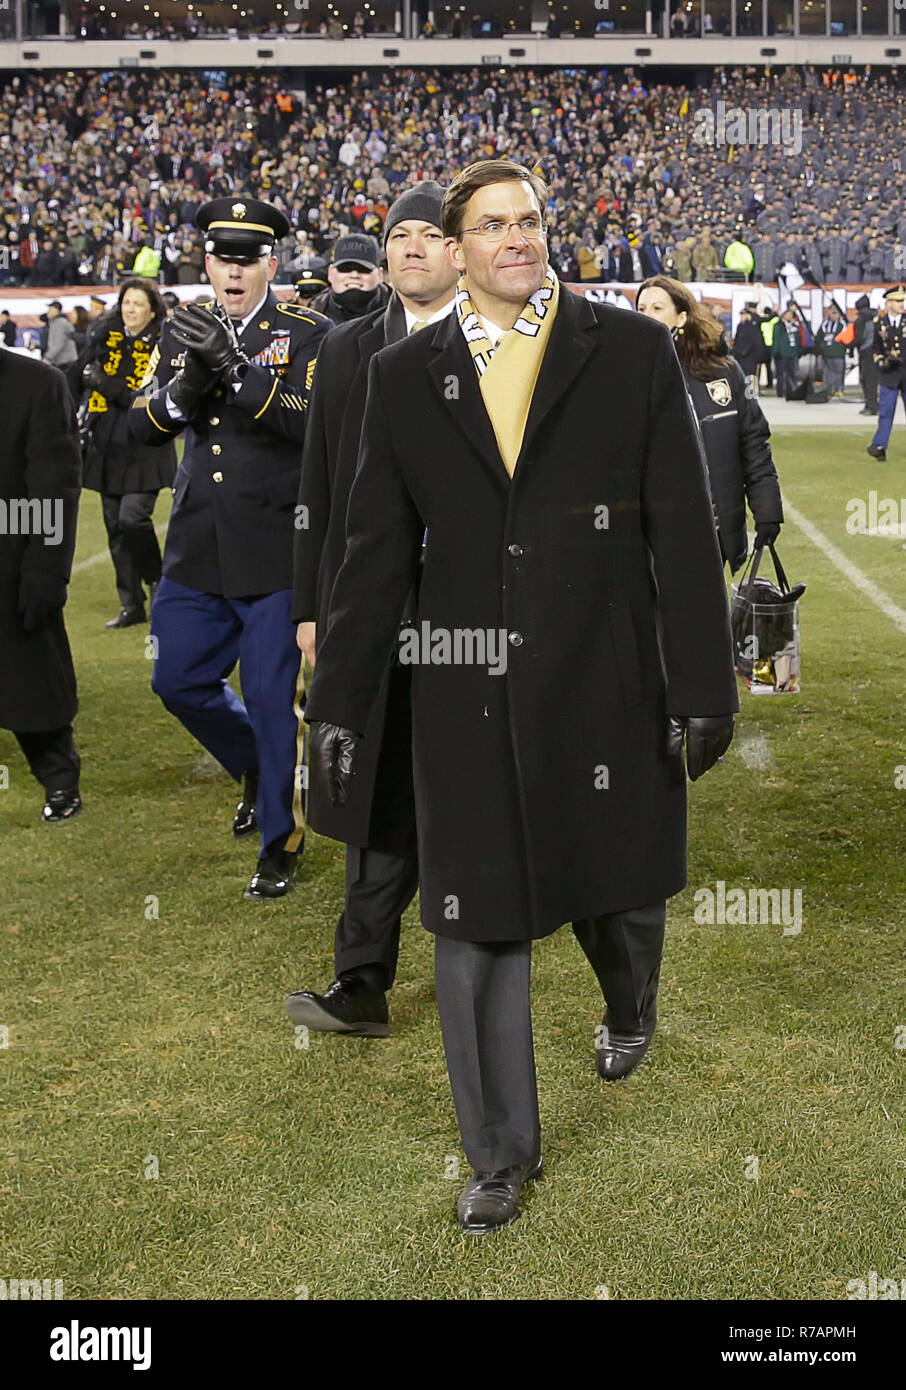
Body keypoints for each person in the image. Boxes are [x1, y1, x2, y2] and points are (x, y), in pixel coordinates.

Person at [304, 160, 738, 1233]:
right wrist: (340, 713)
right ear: (453, 249)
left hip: (606, 681)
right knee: (475, 921)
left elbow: (680, 532)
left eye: (531, 219)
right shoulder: (403, 382)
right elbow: (370, 557)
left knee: (618, 894)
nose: (517, 238)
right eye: (492, 225)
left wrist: (703, 683)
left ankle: (631, 1003)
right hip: (460, 697)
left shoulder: (629, 351)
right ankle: (498, 1150)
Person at [286, 181, 459, 1038]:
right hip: (371, 608)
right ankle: (361, 979)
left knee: (475, 782)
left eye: (432, 234)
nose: (414, 249)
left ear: (458, 250)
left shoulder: (502, 344)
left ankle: (491, 958)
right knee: (373, 780)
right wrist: (311, 605)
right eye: (401, 237)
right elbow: (316, 486)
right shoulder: (347, 349)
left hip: (473, 611)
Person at [128, 197, 331, 900]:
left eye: (250, 259)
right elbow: (143, 427)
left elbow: (311, 427)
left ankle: (281, 841)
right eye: (224, 258)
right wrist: (189, 382)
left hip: (277, 548)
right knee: (176, 679)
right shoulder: (183, 331)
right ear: (207, 263)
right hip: (197, 546)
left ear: (271, 264)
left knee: (276, 700)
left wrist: (240, 374)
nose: (235, 271)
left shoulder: (309, 332)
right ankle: (253, 765)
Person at [636, 276, 783, 572]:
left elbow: (753, 442)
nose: (646, 316)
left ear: (681, 317)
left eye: (656, 307)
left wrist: (767, 509)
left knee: (706, 617)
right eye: (641, 308)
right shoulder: (624, 375)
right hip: (650, 534)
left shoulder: (723, 372)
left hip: (711, 531)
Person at [0, 347, 83, 823]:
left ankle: (59, 778)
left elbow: (54, 484)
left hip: (12, 562)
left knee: (30, 678)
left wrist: (46, 569)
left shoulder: (37, 383)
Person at [81, 277, 176, 628]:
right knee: (113, 525)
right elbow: (81, 374)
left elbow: (144, 394)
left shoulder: (165, 343)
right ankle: (131, 603)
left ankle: (158, 584)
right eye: (126, 303)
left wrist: (104, 383)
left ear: (152, 309)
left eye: (137, 304)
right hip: (108, 443)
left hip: (146, 444)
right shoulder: (104, 336)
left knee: (132, 518)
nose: (130, 310)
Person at [308, 233, 390, 326]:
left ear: (379, 275)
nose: (354, 275)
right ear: (330, 273)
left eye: (363, 269)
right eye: (345, 268)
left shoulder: (404, 311)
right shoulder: (312, 315)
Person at [867, 284, 906, 461]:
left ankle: (879, 444)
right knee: (886, 412)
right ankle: (880, 446)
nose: (901, 304)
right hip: (889, 373)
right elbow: (875, 349)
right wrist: (883, 360)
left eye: (902, 301)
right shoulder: (880, 324)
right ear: (888, 303)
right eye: (897, 301)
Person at [853, 293, 880, 416]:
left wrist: (847, 344)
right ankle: (873, 404)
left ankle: (871, 406)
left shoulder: (860, 320)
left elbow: (859, 339)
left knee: (866, 380)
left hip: (865, 352)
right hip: (876, 352)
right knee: (872, 381)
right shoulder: (876, 317)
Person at [815, 303, 847, 399]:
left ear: (839, 314)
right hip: (827, 353)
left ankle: (839, 390)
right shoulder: (825, 324)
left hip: (838, 353)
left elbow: (846, 338)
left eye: (835, 313)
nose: (833, 316)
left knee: (839, 372)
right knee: (827, 372)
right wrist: (820, 348)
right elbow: (819, 337)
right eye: (832, 313)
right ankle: (827, 390)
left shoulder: (843, 325)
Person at [772, 304, 804, 399]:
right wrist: (776, 352)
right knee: (781, 373)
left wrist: (799, 350)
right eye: (787, 314)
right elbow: (776, 339)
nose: (789, 316)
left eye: (791, 314)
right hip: (782, 353)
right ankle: (781, 391)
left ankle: (792, 390)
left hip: (792, 353)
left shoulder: (795, 326)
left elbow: (798, 339)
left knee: (792, 373)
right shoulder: (779, 325)